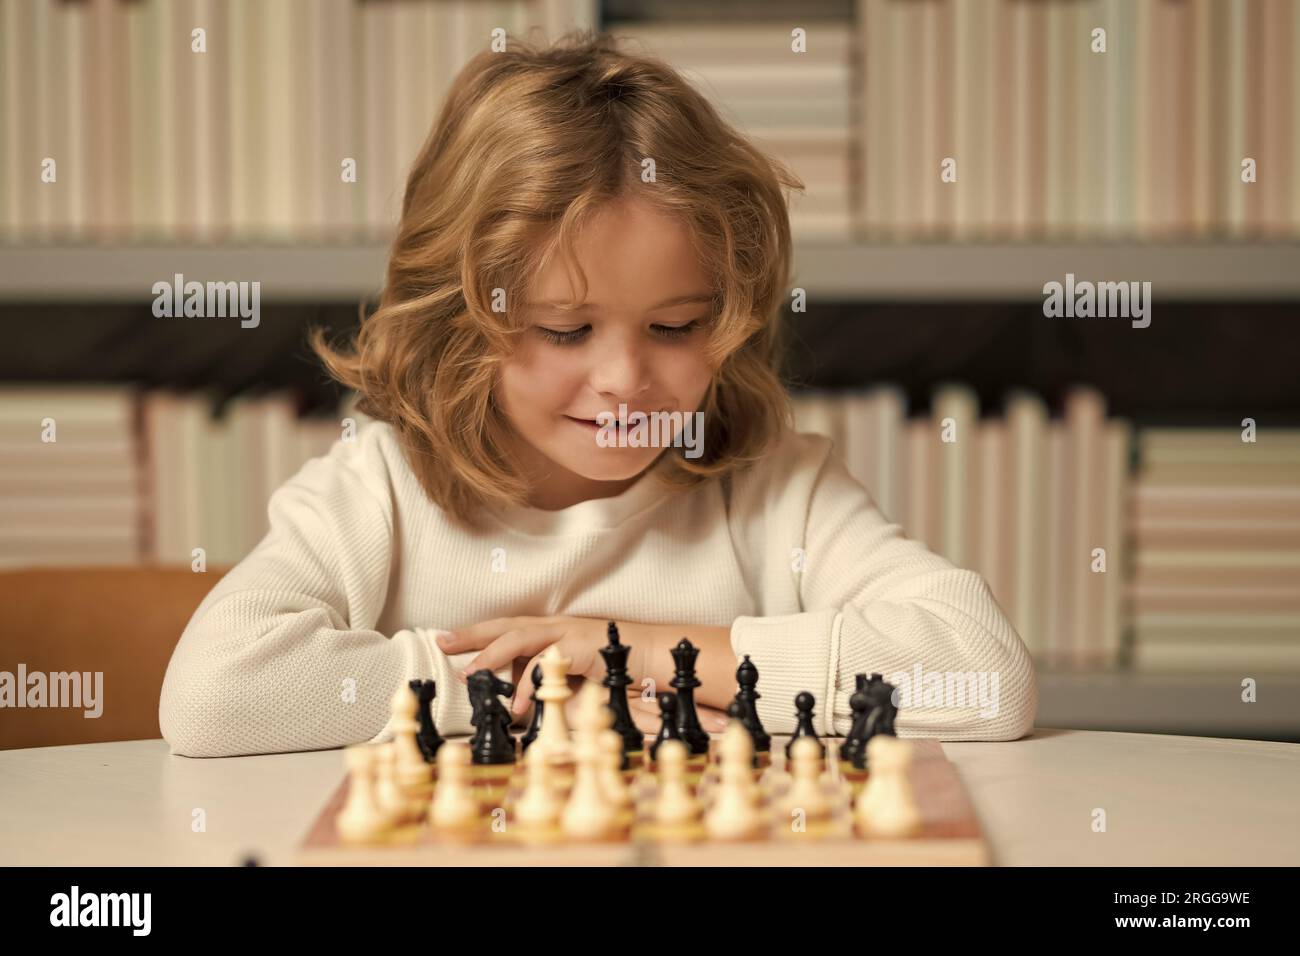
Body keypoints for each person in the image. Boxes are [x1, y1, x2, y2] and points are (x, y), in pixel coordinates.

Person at [159, 31, 1036, 758]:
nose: (624, 379)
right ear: (460, 320)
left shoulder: (776, 491)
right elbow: (213, 695)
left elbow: (984, 675)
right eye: (566, 331)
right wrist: (525, 687)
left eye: (678, 326)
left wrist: (637, 650)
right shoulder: (378, 488)